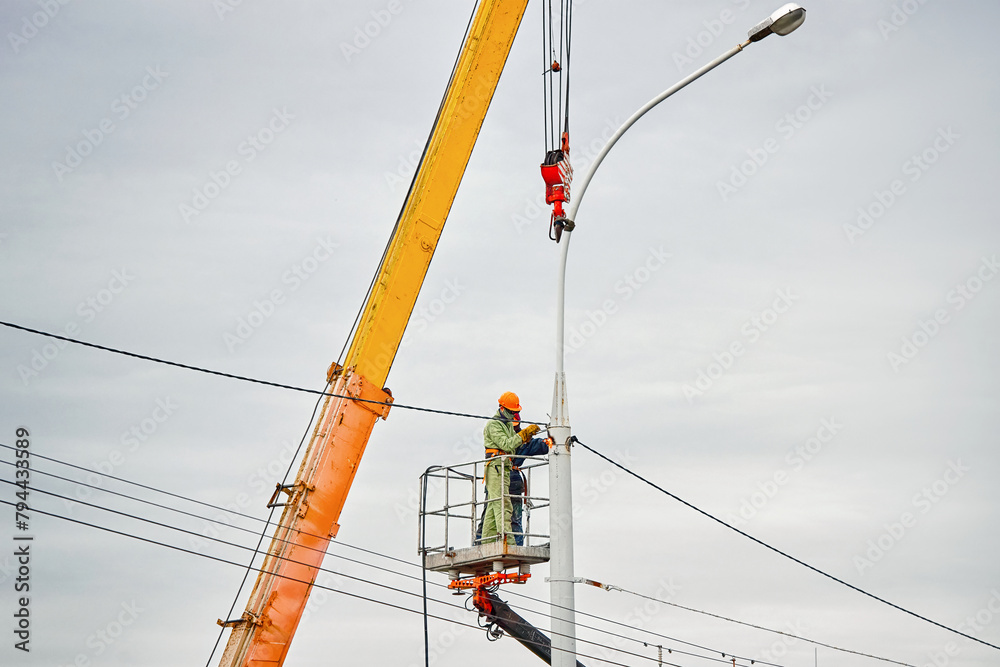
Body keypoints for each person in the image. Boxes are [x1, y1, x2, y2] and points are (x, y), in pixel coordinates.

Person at [479, 391, 544, 546]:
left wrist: (526, 437)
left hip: (504, 468)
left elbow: (514, 447)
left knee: (493, 506)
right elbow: (506, 444)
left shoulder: (507, 425)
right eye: (511, 412)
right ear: (501, 408)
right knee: (503, 504)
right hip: (495, 467)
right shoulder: (493, 425)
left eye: (515, 412)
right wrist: (523, 434)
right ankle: (509, 543)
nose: (512, 415)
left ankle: (486, 542)